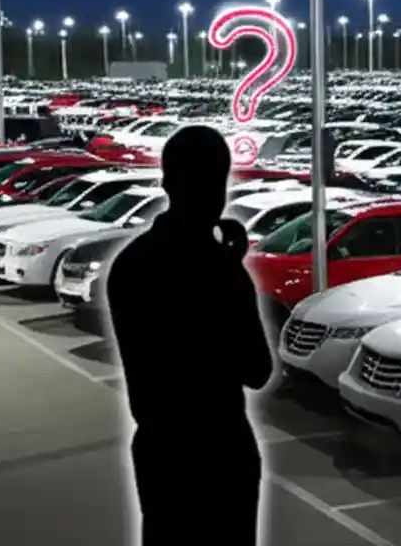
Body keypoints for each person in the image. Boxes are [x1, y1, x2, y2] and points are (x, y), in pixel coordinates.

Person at [106, 125, 274, 544]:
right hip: (221, 451)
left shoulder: (130, 265)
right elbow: (256, 370)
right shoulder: (218, 271)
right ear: (220, 186)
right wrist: (231, 267)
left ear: (166, 182)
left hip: (161, 452)